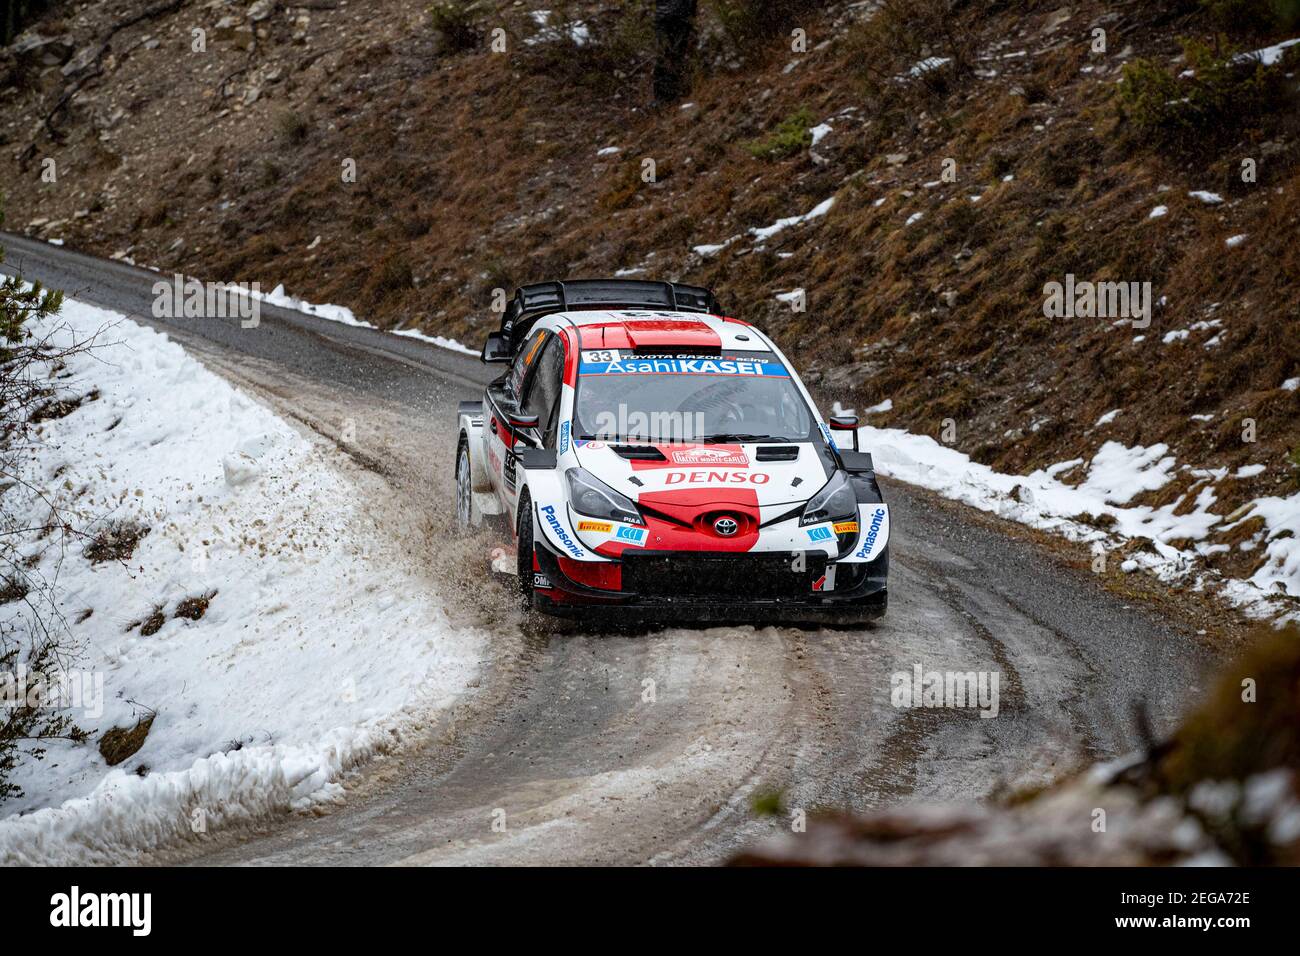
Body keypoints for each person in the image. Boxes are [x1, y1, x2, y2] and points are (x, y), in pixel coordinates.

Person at [652, 0, 697, 106]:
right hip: (673, 15)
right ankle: (666, 96)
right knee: (669, 54)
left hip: (673, 15)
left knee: (669, 54)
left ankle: (667, 96)